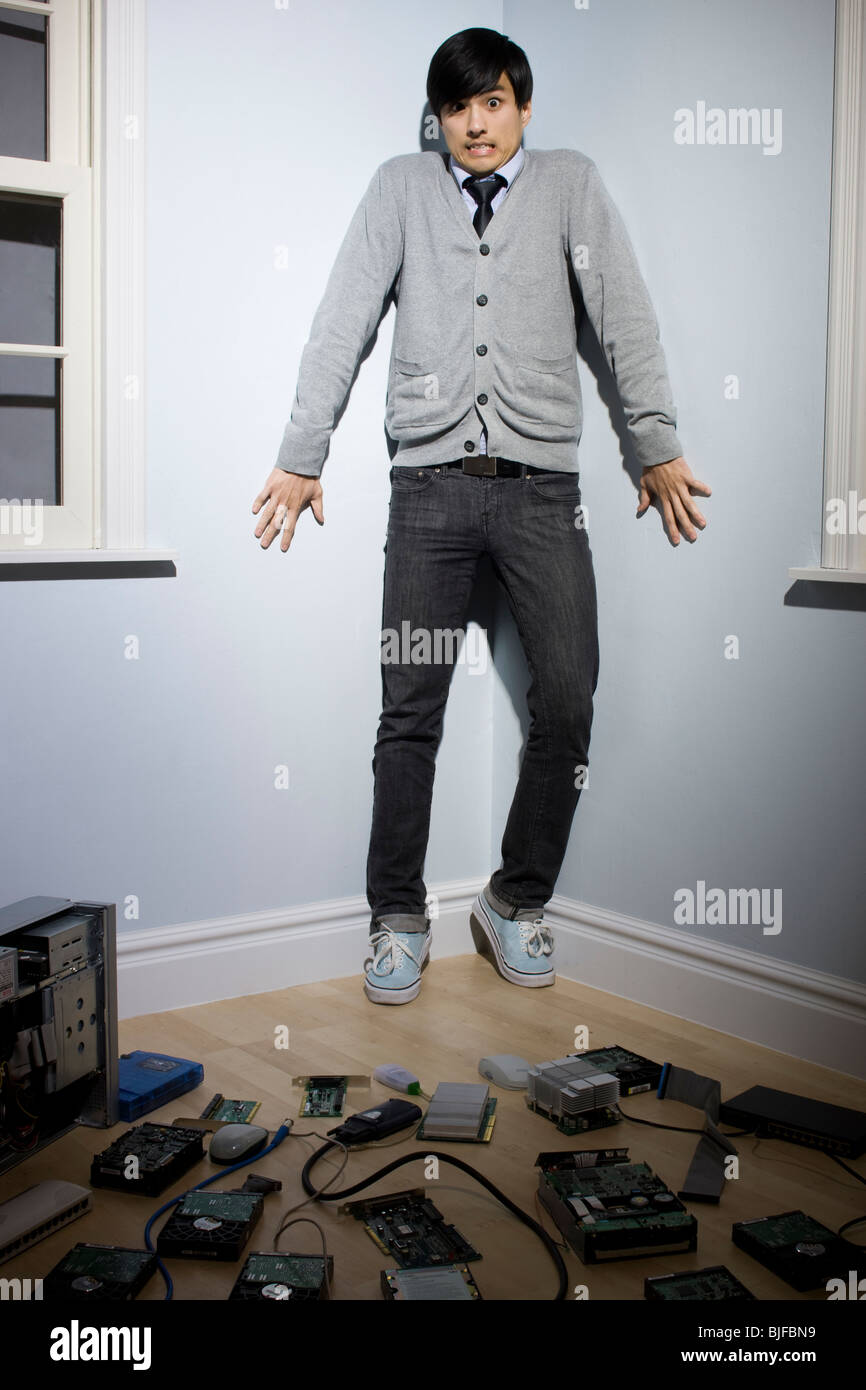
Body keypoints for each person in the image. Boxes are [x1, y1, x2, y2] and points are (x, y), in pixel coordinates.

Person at [252, 27, 711, 1006]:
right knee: (408, 708)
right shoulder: (399, 190)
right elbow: (342, 318)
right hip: (428, 495)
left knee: (567, 697)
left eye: (492, 102)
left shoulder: (568, 184)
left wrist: (654, 442)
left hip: (542, 494)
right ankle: (397, 918)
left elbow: (620, 316)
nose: (474, 122)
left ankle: (513, 900)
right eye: (457, 107)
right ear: (438, 117)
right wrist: (302, 455)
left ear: (522, 105)